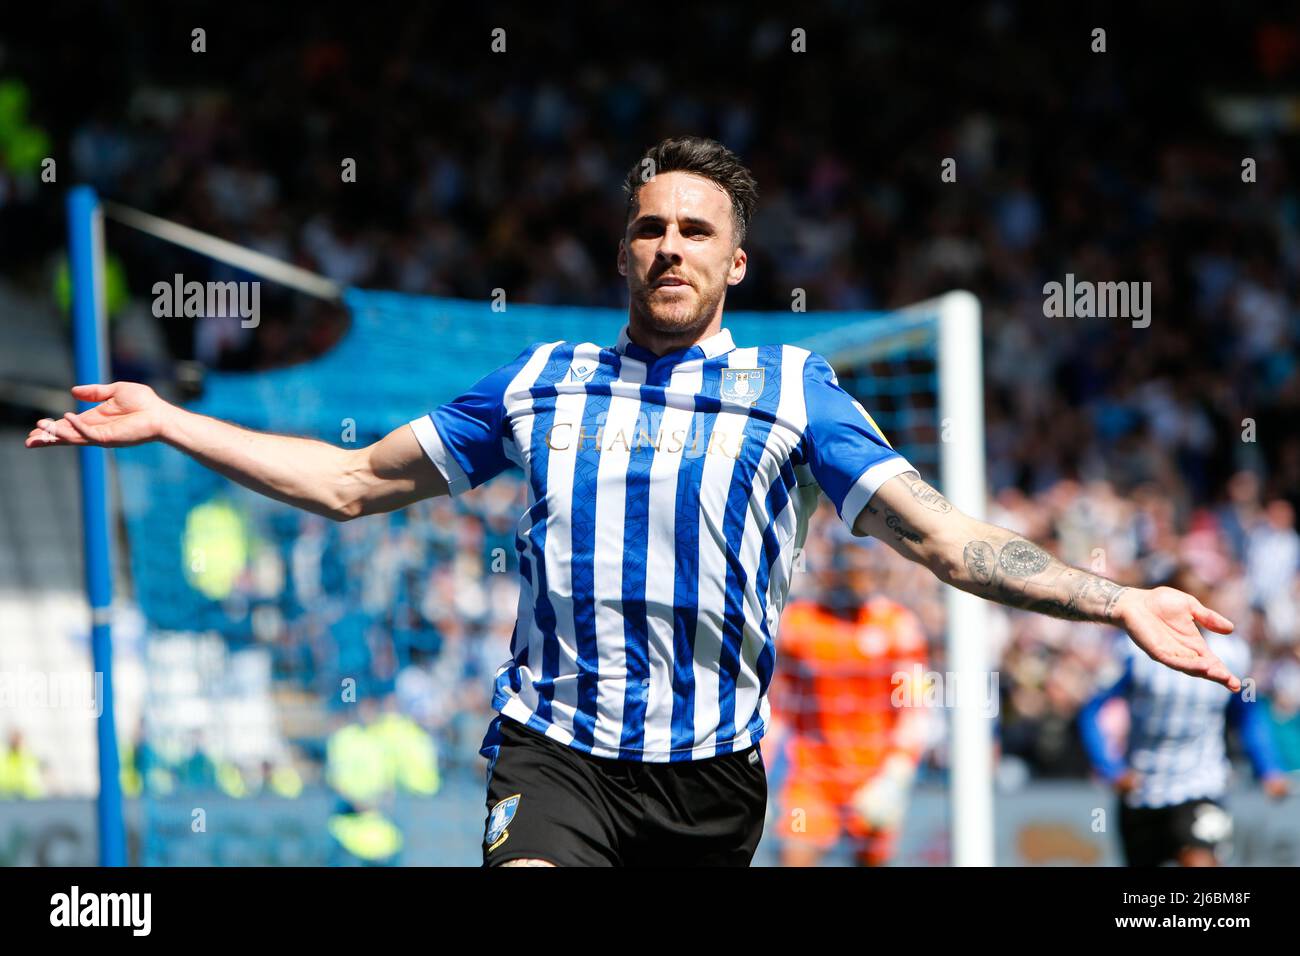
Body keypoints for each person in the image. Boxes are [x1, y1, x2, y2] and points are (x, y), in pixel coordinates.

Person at [28, 136, 1244, 867]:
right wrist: (175, 418)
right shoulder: (541, 380)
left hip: (708, 781)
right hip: (552, 754)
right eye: (650, 227)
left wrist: (1119, 596)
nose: (669, 246)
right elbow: (351, 482)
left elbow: (949, 541)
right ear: (624, 250)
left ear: (736, 262)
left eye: (695, 231)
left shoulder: (793, 392)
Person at [1079, 566, 1290, 866]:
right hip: (1143, 788)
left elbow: (1247, 714)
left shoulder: (1231, 654)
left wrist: (1268, 768)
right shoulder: (1133, 650)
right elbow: (1091, 710)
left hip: (1200, 783)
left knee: (1200, 863)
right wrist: (1111, 769)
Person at [770, 544, 929, 866]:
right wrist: (759, 765)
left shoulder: (898, 625)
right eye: (849, 570)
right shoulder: (799, 623)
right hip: (812, 776)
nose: (858, 579)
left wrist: (895, 776)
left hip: (873, 776)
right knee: (795, 853)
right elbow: (777, 706)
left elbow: (916, 708)